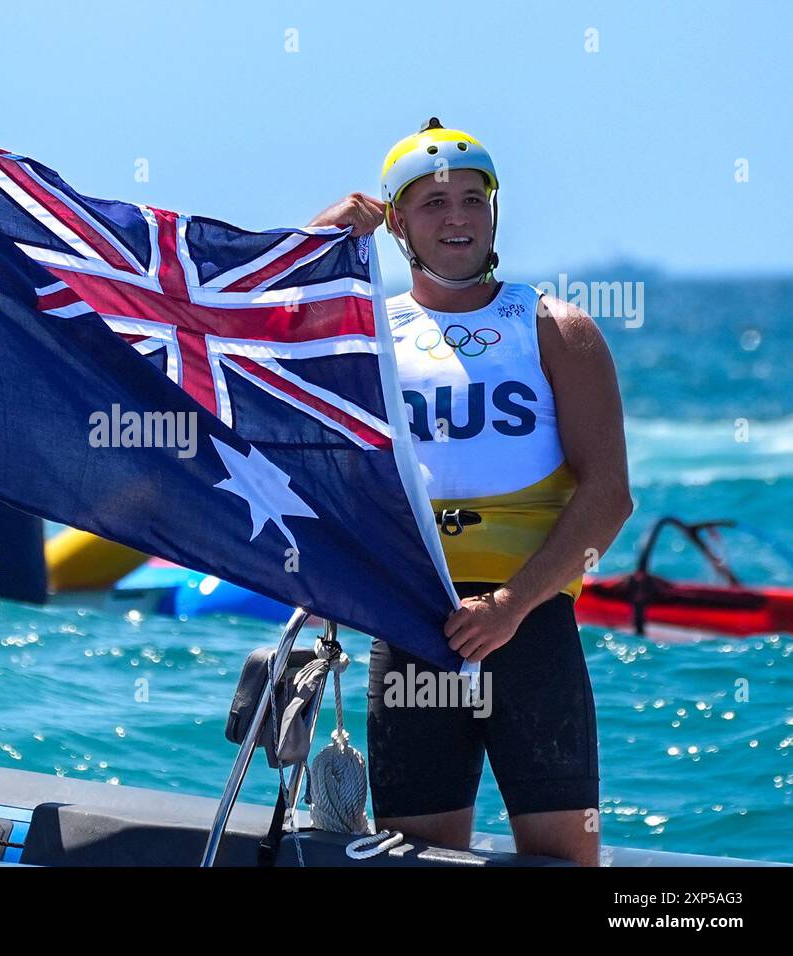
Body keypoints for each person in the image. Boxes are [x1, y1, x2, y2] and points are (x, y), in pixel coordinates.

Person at [307, 120, 632, 866]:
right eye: (431, 203)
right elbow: (252, 330)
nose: (457, 218)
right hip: (415, 626)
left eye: (471, 199)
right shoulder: (371, 336)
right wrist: (320, 234)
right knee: (416, 859)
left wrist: (512, 607)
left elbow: (609, 495)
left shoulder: (555, 327)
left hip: (531, 629)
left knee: (560, 861)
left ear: (494, 209)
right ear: (397, 224)